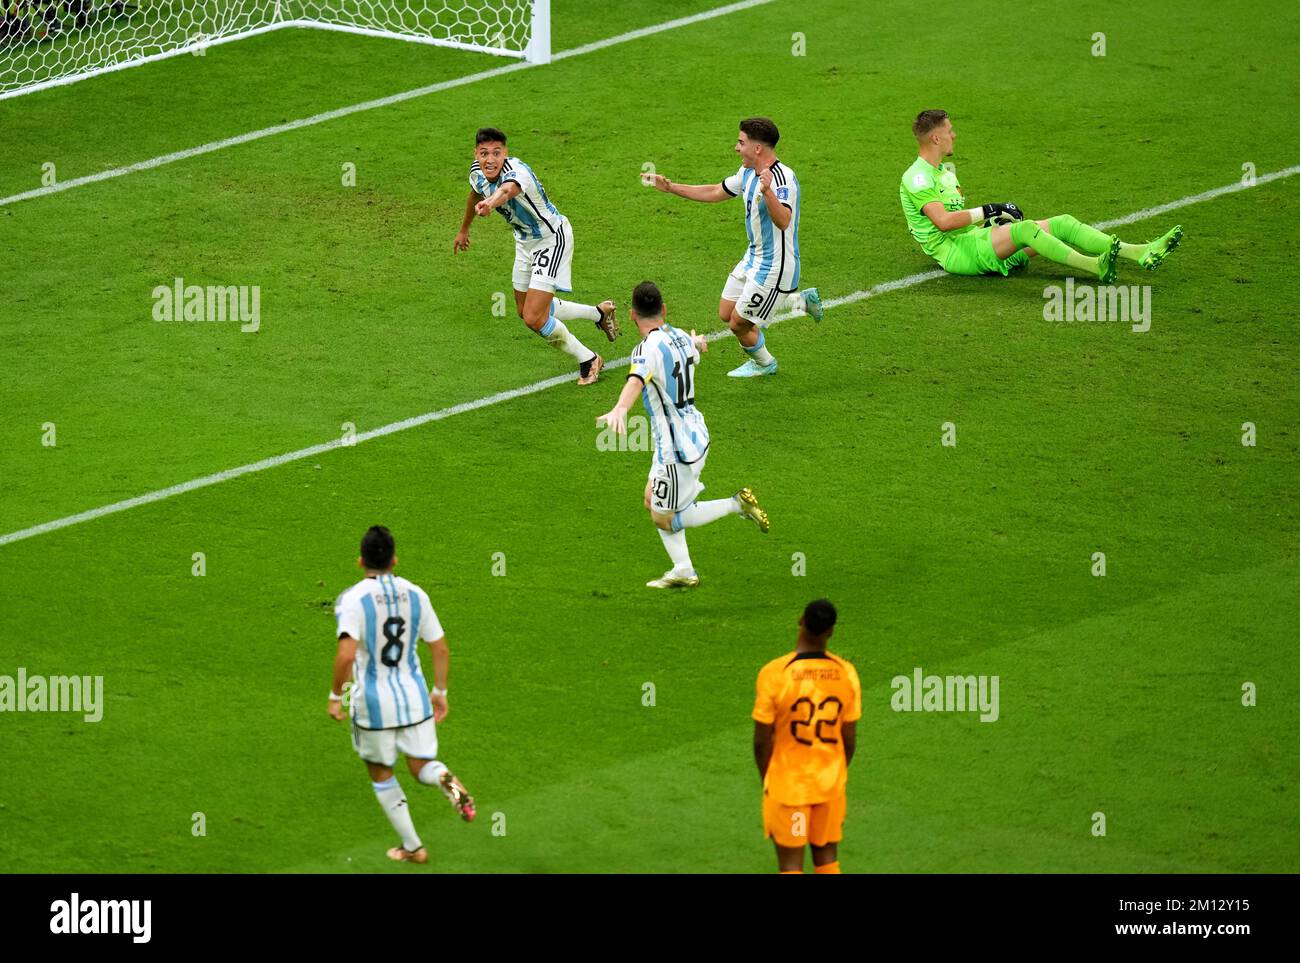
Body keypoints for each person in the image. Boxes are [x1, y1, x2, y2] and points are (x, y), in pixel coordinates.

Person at [596, 281, 768, 588]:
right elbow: (695, 347)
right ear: (663, 310)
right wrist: (699, 342)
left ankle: (735, 505)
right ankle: (683, 569)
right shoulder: (677, 337)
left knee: (664, 517)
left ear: (634, 315)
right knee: (652, 498)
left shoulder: (645, 349)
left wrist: (620, 409)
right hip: (692, 433)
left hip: (676, 450)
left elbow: (636, 380)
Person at [329, 525, 475, 864]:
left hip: (373, 703)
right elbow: (439, 648)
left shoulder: (352, 599)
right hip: (415, 697)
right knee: (421, 765)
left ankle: (413, 848)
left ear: (360, 560)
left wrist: (335, 695)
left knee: (381, 771)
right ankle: (443, 778)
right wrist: (440, 691)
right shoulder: (416, 594)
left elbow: (347, 655)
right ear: (394, 560)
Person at [901, 109, 1182, 281]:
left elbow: (961, 219)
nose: (955, 135)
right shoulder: (917, 177)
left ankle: (1140, 252)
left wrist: (991, 224)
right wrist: (989, 209)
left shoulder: (945, 174)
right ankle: (1095, 266)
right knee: (1025, 230)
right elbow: (944, 223)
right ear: (936, 138)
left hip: (974, 241)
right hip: (956, 254)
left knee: (1063, 223)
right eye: (950, 131)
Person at [647, 118, 822, 378]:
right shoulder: (747, 173)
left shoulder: (783, 179)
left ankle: (765, 363)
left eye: (741, 142)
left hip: (776, 266)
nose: (736, 148)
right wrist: (671, 188)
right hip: (753, 258)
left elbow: (784, 221)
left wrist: (768, 192)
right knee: (726, 312)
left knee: (739, 323)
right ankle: (800, 301)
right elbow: (716, 191)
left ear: (758, 148)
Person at [454, 127, 618, 386]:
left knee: (534, 317)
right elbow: (475, 191)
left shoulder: (518, 173)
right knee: (525, 310)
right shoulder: (477, 172)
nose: (490, 159)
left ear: (505, 153)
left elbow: (506, 191)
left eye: (497, 153)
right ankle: (598, 314)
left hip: (551, 239)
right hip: (524, 242)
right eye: (484, 153)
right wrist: (464, 229)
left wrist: (490, 204)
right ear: (476, 154)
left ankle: (588, 359)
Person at [753, 599, 861, 874]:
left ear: (800, 620)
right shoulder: (846, 673)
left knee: (791, 864)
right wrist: (834, 770)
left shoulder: (775, 673)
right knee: (827, 858)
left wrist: (769, 777)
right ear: (831, 631)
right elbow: (849, 741)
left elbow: (761, 741)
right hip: (828, 786)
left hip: (790, 790)